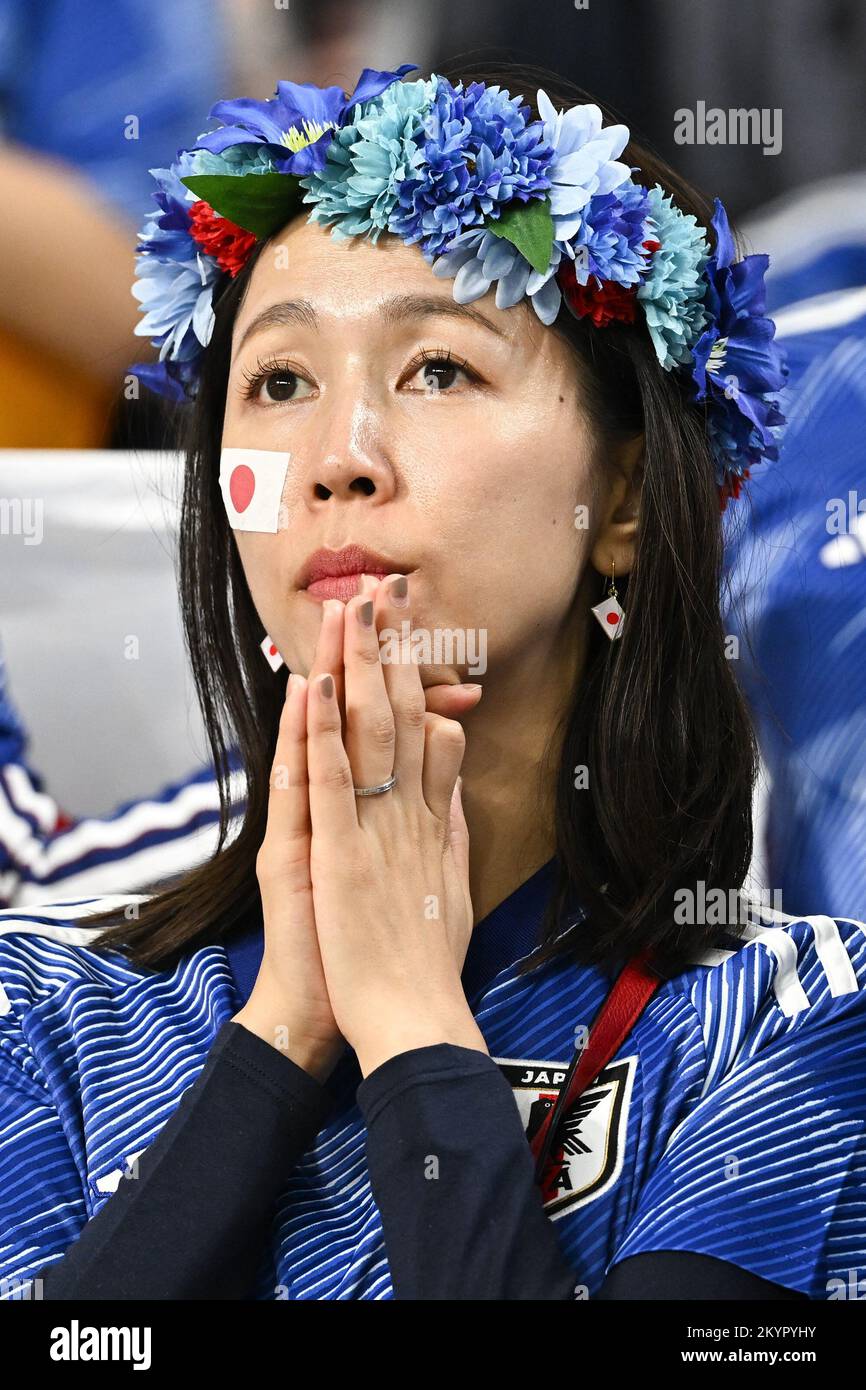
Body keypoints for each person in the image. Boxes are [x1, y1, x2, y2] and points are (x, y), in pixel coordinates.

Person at [0, 59, 863, 1304]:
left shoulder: (788, 1028)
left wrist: (408, 1022)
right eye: (280, 383)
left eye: (438, 370)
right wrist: (280, 1037)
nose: (337, 458)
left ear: (620, 498)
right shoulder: (40, 1009)